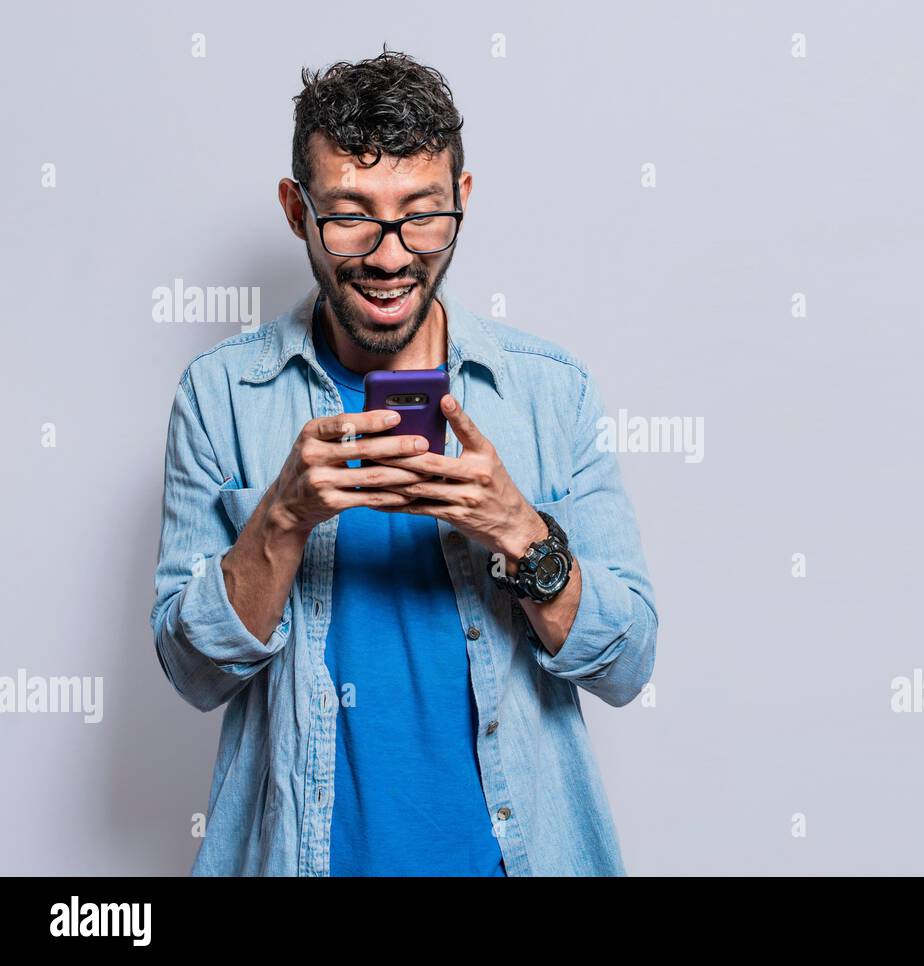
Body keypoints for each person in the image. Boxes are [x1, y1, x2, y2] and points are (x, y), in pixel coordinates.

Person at [149, 48, 657, 876]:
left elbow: (628, 663)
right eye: (350, 215)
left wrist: (524, 536)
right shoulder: (221, 395)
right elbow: (192, 673)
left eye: (422, 214)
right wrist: (281, 520)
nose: (391, 256)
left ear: (461, 198)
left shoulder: (549, 392)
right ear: (295, 210)